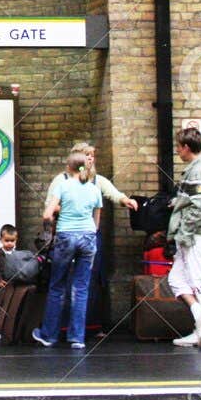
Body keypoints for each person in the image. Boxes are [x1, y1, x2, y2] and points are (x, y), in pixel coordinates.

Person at [45, 140, 137, 332]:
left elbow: (113, 193)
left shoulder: (97, 181)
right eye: (87, 155)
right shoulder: (61, 180)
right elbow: (50, 206)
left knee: (91, 280)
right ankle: (67, 328)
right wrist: (74, 207)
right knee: (70, 280)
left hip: (86, 235)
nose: (90, 159)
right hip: (73, 233)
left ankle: (89, 325)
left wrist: (125, 200)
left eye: (92, 156)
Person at [32, 148, 103, 349]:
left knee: (57, 287)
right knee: (81, 289)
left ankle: (49, 335)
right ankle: (77, 338)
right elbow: (96, 223)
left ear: (68, 167)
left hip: (66, 237)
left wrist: (60, 213)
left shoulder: (63, 186)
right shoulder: (94, 189)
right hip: (88, 238)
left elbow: (47, 214)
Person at [168, 125, 201, 348]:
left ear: (186, 147)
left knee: (197, 279)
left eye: (179, 147)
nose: (177, 151)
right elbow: (191, 201)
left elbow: (199, 207)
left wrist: (185, 233)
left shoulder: (199, 171)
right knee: (176, 280)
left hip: (196, 236)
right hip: (189, 235)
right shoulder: (194, 169)